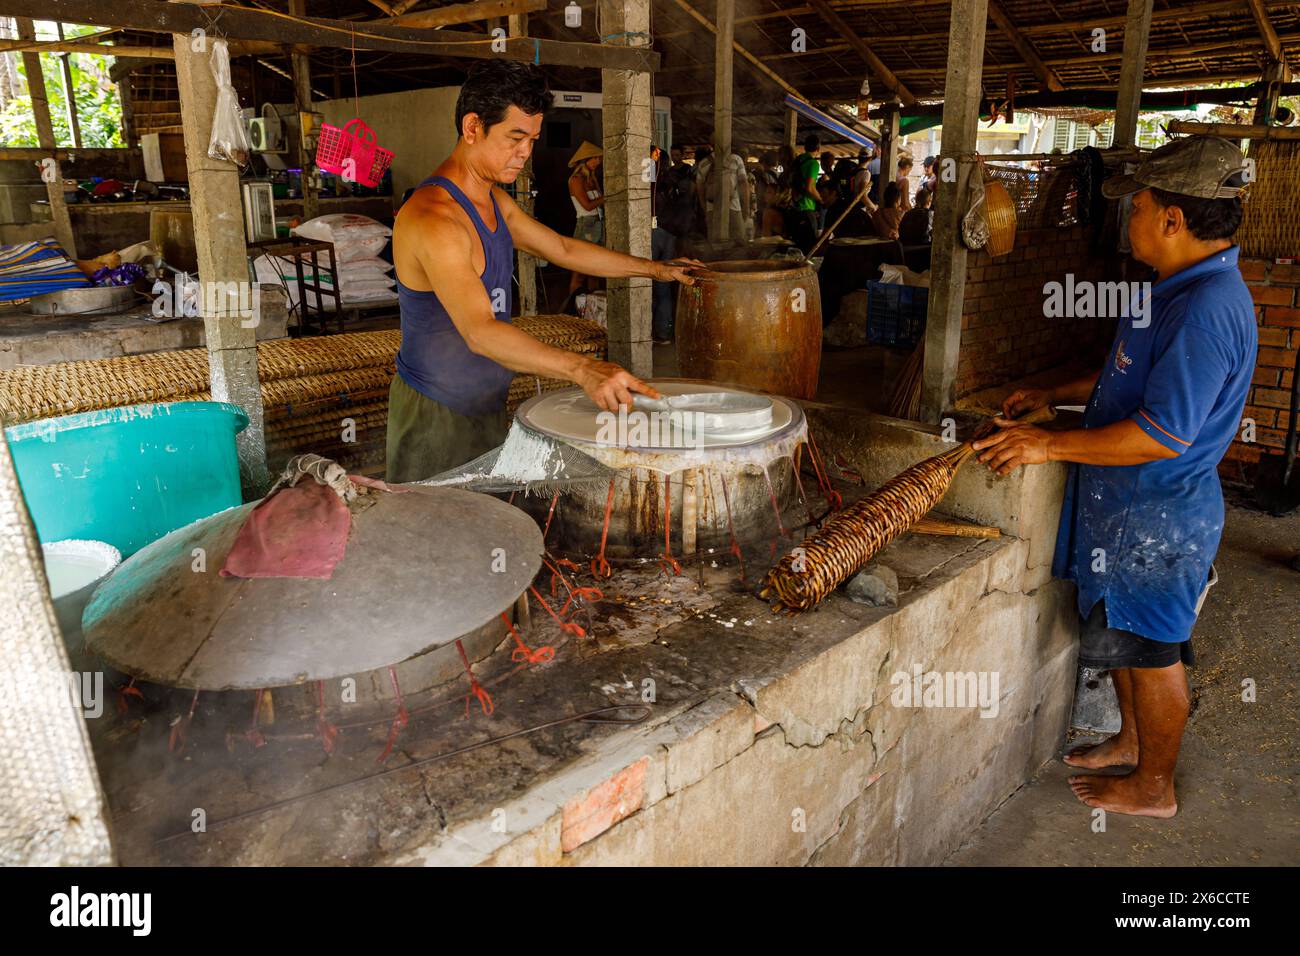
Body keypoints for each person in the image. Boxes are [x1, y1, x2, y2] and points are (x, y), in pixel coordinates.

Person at [969, 136, 1257, 818]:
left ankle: (1155, 788)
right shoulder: (1175, 287)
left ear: (1172, 221)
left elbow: (1163, 433)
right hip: (1126, 510)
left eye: (1140, 207)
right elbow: (1125, 374)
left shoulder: (1208, 309)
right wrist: (1056, 395)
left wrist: (1048, 445)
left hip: (1159, 515)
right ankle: (1131, 743)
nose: (1129, 220)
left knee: (1155, 653)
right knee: (1124, 637)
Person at [387, 60, 700, 481]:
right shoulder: (434, 218)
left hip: (486, 400)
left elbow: (563, 248)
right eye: (515, 137)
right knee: (435, 534)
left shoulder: (495, 201)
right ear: (472, 127)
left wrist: (656, 269)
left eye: (532, 139)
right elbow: (479, 332)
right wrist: (583, 369)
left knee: (489, 521)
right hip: (435, 409)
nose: (526, 152)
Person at [566, 140, 605, 302]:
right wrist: (608, 197)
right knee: (580, 271)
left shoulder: (591, 178)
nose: (597, 162)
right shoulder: (576, 180)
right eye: (593, 158)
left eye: (598, 158)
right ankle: (574, 306)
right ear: (584, 160)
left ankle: (590, 308)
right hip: (586, 225)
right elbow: (587, 206)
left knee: (594, 269)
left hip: (598, 224)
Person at [695, 137, 751, 244]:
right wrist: (746, 209)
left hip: (712, 209)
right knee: (739, 244)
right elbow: (744, 185)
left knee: (714, 245)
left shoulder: (704, 163)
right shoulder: (736, 159)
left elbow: (700, 189)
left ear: (711, 145)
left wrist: (705, 209)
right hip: (734, 208)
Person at [793, 134, 823, 243]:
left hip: (793, 207)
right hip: (806, 208)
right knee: (809, 244)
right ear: (818, 149)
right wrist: (820, 199)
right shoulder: (813, 163)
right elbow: (809, 187)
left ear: (805, 147)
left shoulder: (798, 160)